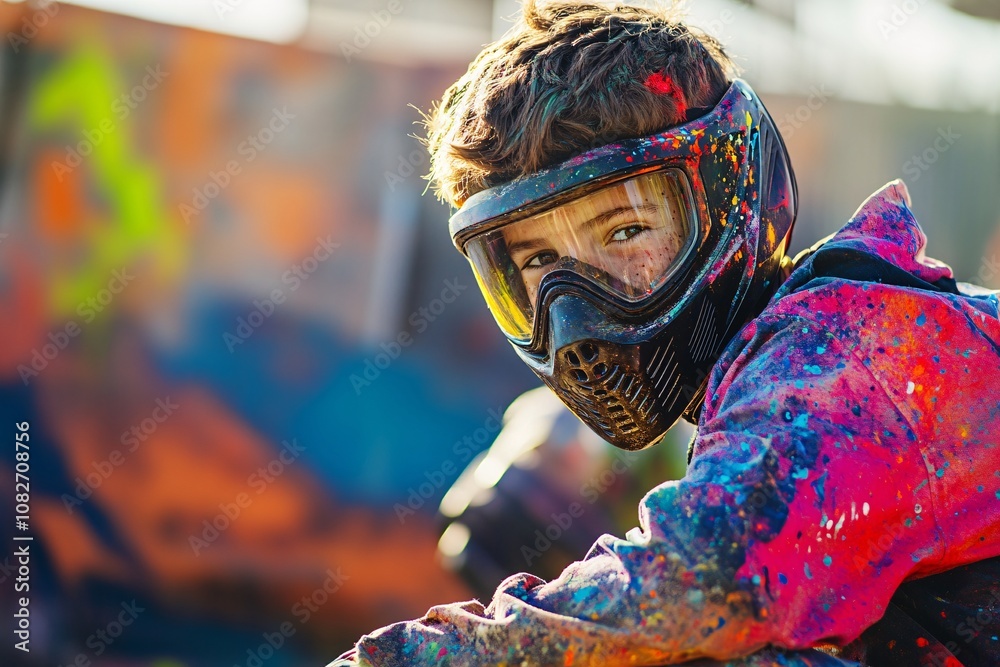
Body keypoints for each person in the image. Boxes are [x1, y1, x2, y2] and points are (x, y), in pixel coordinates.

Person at [334, 1, 1000, 664]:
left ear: (733, 195)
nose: (576, 310)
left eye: (625, 232)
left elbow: (699, 586)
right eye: (538, 262)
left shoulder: (845, 355)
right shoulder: (778, 371)